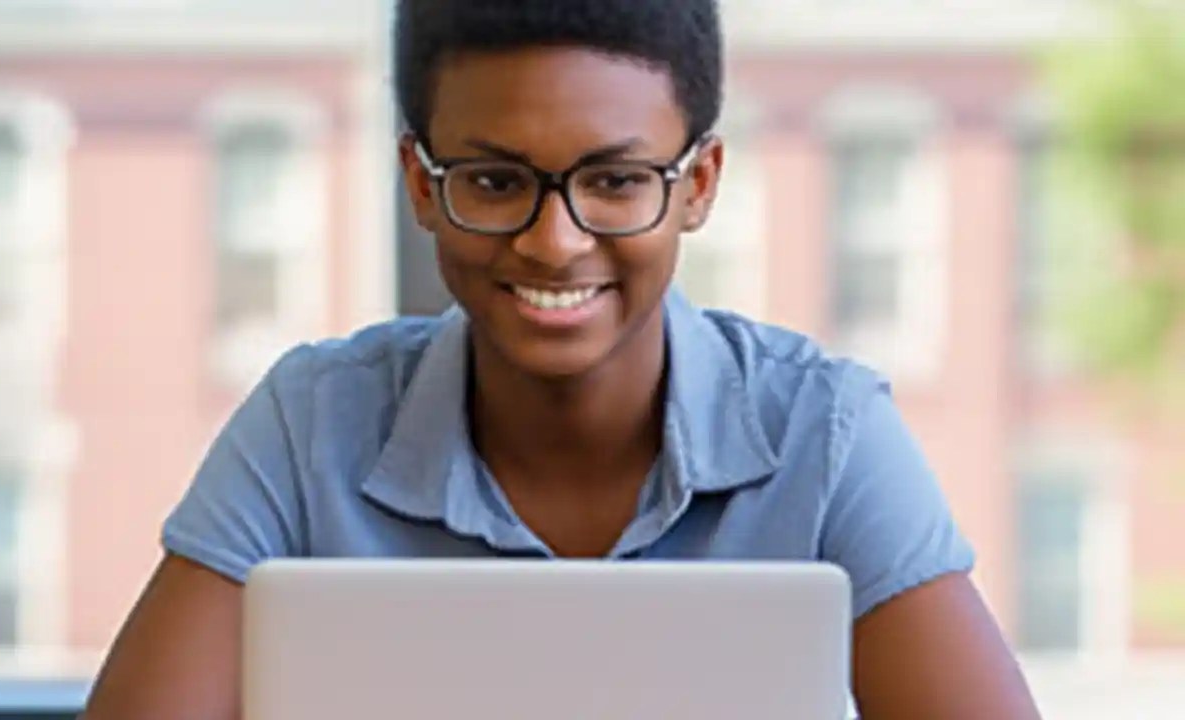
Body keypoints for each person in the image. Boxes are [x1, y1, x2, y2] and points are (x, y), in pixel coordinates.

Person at [82, 1, 1041, 718]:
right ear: (420, 183)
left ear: (698, 184)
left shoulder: (824, 434)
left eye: (615, 181)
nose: (553, 242)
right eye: (495, 182)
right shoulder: (310, 425)